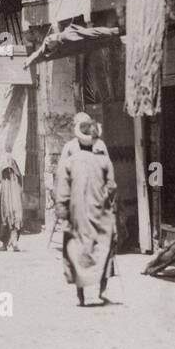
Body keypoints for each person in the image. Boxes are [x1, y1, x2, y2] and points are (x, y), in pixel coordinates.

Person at [55, 113, 117, 306]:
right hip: (100, 211)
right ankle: (101, 289)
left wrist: (62, 211)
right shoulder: (102, 154)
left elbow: (62, 186)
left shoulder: (70, 157)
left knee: (77, 249)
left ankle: (81, 294)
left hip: (77, 212)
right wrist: (106, 200)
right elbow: (112, 186)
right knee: (104, 248)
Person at [0, 149, 24, 251]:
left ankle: (9, 243)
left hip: (8, 202)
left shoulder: (7, 174)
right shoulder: (15, 174)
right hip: (9, 202)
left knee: (9, 221)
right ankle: (10, 243)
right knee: (10, 221)